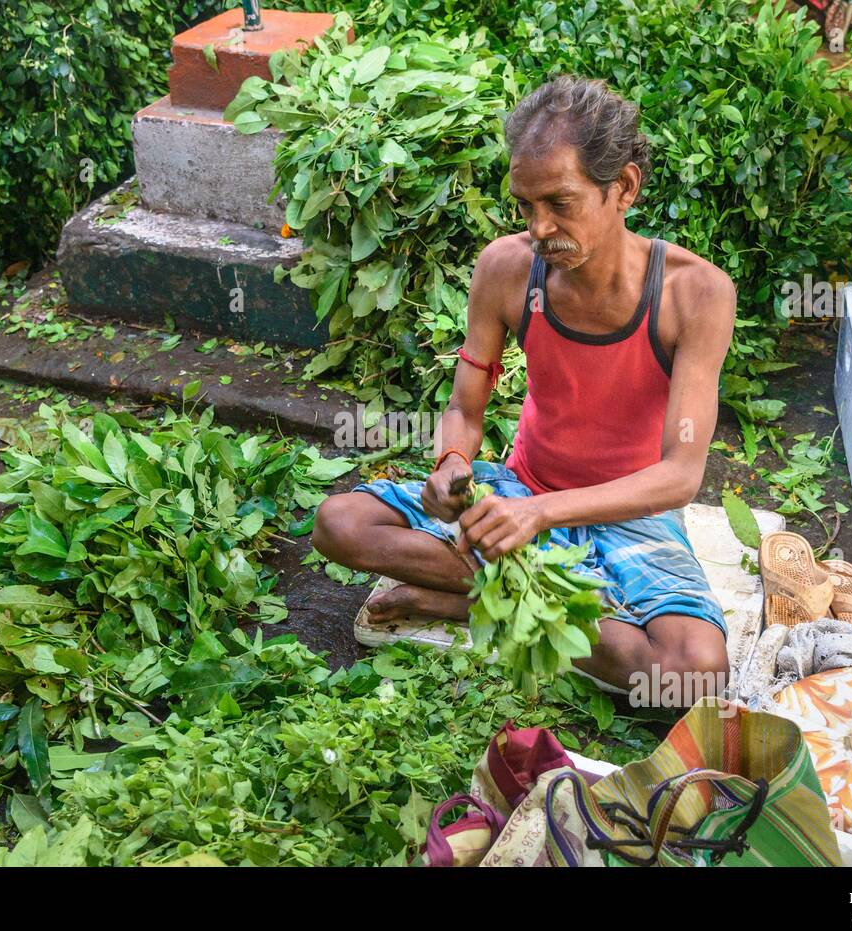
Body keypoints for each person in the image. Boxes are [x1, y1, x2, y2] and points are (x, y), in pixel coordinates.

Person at [313, 76, 736, 703]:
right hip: (522, 489)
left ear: (623, 188)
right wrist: (452, 465)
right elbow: (464, 408)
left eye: (560, 203)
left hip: (629, 512)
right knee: (339, 522)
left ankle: (472, 605)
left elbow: (679, 477)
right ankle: (535, 601)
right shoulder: (506, 269)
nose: (539, 227)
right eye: (525, 205)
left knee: (690, 674)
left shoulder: (694, 294)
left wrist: (541, 515)